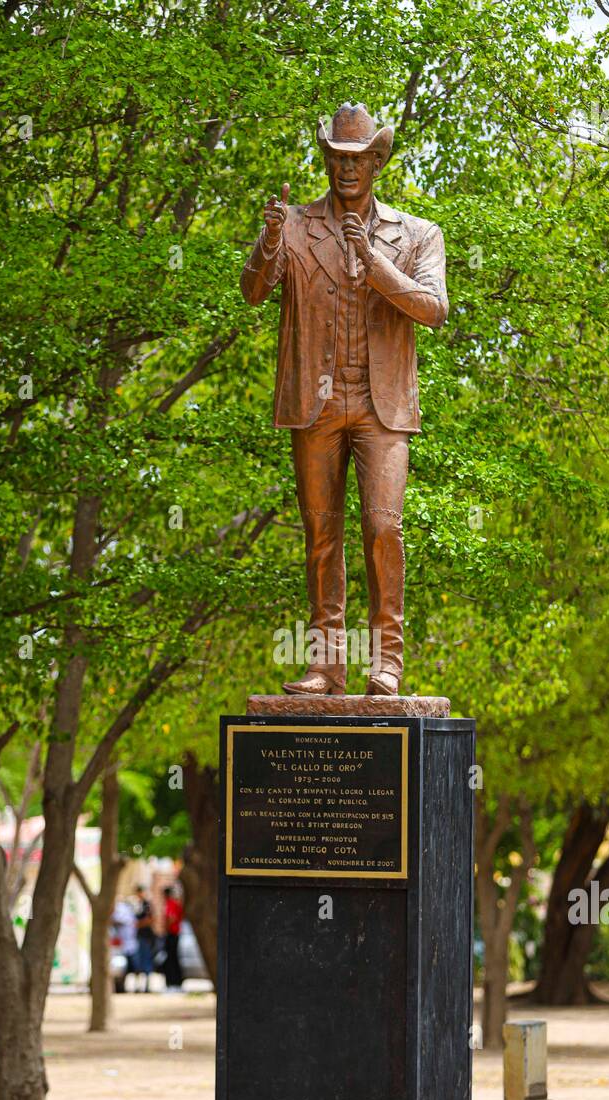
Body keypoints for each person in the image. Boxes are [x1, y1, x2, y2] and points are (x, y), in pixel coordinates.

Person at [240, 102, 448, 697]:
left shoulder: (417, 234)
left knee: (383, 526)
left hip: (383, 407)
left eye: (357, 158)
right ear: (327, 160)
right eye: (336, 157)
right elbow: (254, 291)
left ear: (377, 160)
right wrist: (269, 239)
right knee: (321, 533)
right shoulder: (298, 225)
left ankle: (387, 662)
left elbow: (433, 309)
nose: (346, 168)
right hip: (317, 402)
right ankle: (326, 665)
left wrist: (374, 260)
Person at [111, 897, 138, 990]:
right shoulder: (123, 910)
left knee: (131, 967)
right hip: (123, 944)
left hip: (128, 943)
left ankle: (130, 986)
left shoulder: (124, 910)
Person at [162, 885, 184, 990]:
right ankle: (175, 981)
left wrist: (165, 928)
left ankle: (173, 982)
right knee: (173, 958)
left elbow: (171, 918)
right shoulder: (175, 904)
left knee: (172, 958)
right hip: (174, 933)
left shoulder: (171, 904)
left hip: (172, 934)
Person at [133, 886, 155, 993]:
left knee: (146, 959)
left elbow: (150, 920)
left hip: (145, 936)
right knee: (139, 961)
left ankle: (147, 985)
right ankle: (139, 985)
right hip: (139, 936)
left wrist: (138, 925)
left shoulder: (146, 905)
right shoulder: (138, 905)